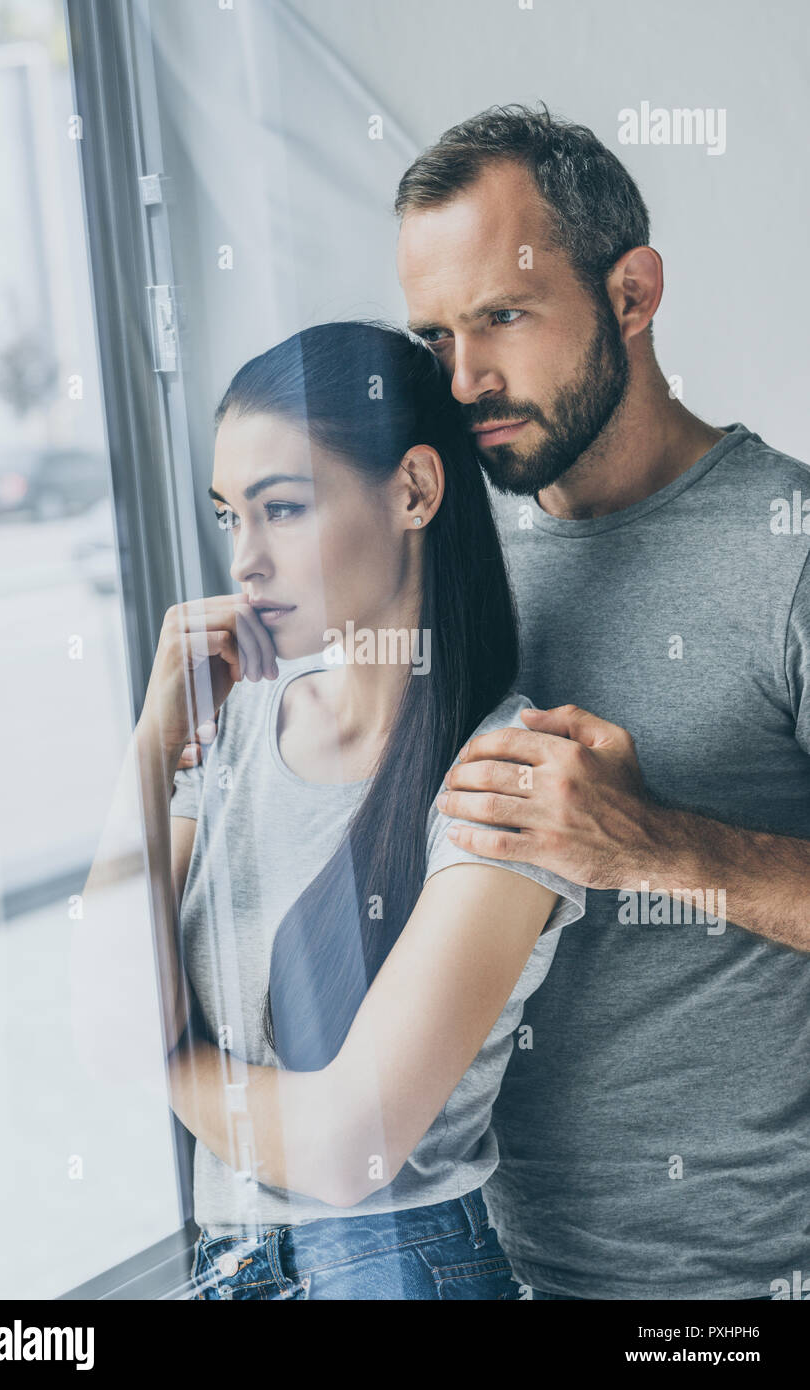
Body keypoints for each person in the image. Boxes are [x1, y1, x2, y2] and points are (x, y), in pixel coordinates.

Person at [390, 102, 810, 1301]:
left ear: (632, 293)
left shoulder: (790, 548)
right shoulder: (449, 558)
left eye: (503, 318)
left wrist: (661, 843)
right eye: (435, 338)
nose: (465, 379)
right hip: (476, 1272)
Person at [84, 319, 586, 1301]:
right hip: (228, 1261)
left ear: (413, 492)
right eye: (230, 515)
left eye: (283, 508)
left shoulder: (503, 771)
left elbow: (345, 1149)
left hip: (396, 1268)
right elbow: (99, 1007)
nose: (247, 560)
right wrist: (153, 742)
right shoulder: (234, 717)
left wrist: (166, 1054)